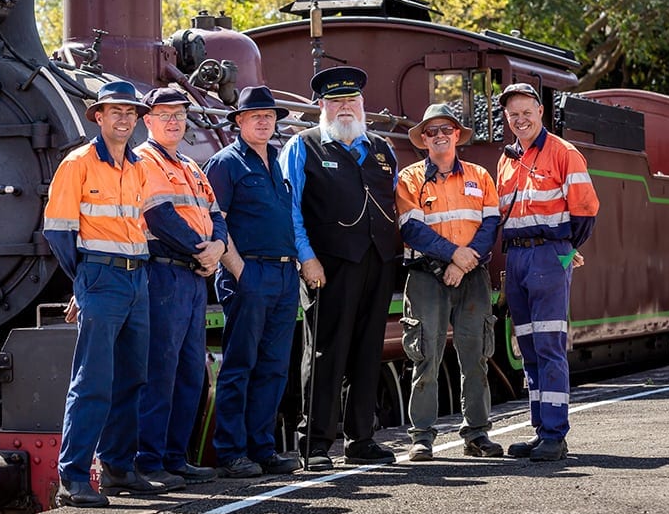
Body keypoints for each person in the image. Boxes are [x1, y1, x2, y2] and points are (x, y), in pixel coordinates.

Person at [43, 80, 164, 507]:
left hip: (136, 281)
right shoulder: (77, 164)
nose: (124, 118)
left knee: (133, 378)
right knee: (93, 381)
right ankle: (73, 477)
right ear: (98, 116)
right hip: (101, 278)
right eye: (115, 111)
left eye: (130, 112)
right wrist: (86, 281)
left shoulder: (137, 167)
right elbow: (58, 231)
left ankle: (117, 467)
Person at [279, 66, 398, 470]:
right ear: (321, 107)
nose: (345, 107)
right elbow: (289, 208)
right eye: (336, 101)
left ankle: (361, 438)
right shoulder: (302, 146)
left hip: (378, 262)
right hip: (327, 265)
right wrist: (305, 256)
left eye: (352, 101)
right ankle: (314, 443)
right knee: (326, 351)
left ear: (362, 105)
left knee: (368, 352)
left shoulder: (382, 148)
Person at [496, 82, 599, 462]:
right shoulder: (506, 159)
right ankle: (542, 431)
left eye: (526, 112)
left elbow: (586, 209)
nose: (520, 120)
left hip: (547, 256)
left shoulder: (563, 152)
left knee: (549, 345)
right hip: (517, 257)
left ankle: (555, 433)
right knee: (529, 349)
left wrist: (566, 251)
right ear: (506, 119)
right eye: (513, 115)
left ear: (541, 112)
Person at [396, 103, 503, 462]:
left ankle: (477, 434)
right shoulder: (409, 179)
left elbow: (490, 225)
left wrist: (463, 261)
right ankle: (422, 438)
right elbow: (411, 228)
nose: (440, 136)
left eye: (446, 130)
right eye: (432, 131)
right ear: (423, 139)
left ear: (457, 135)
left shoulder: (480, 175)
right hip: (427, 276)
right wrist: (453, 257)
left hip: (472, 275)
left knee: (476, 357)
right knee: (426, 355)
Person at [203, 85, 302, 478]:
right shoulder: (225, 164)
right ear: (239, 122)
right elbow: (216, 221)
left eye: (269, 116)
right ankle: (231, 451)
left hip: (284, 273)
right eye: (255, 116)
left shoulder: (278, 161)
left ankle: (263, 448)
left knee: (274, 367)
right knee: (240, 364)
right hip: (250, 274)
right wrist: (239, 268)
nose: (264, 121)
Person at [133, 87, 225, 488]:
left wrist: (218, 246)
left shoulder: (191, 165)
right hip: (164, 274)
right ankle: (149, 462)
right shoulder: (144, 160)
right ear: (147, 121)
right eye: (164, 114)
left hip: (192, 277)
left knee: (191, 371)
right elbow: (159, 217)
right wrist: (203, 252)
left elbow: (216, 213)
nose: (173, 121)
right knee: (161, 371)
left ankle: (175, 458)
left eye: (179, 114)